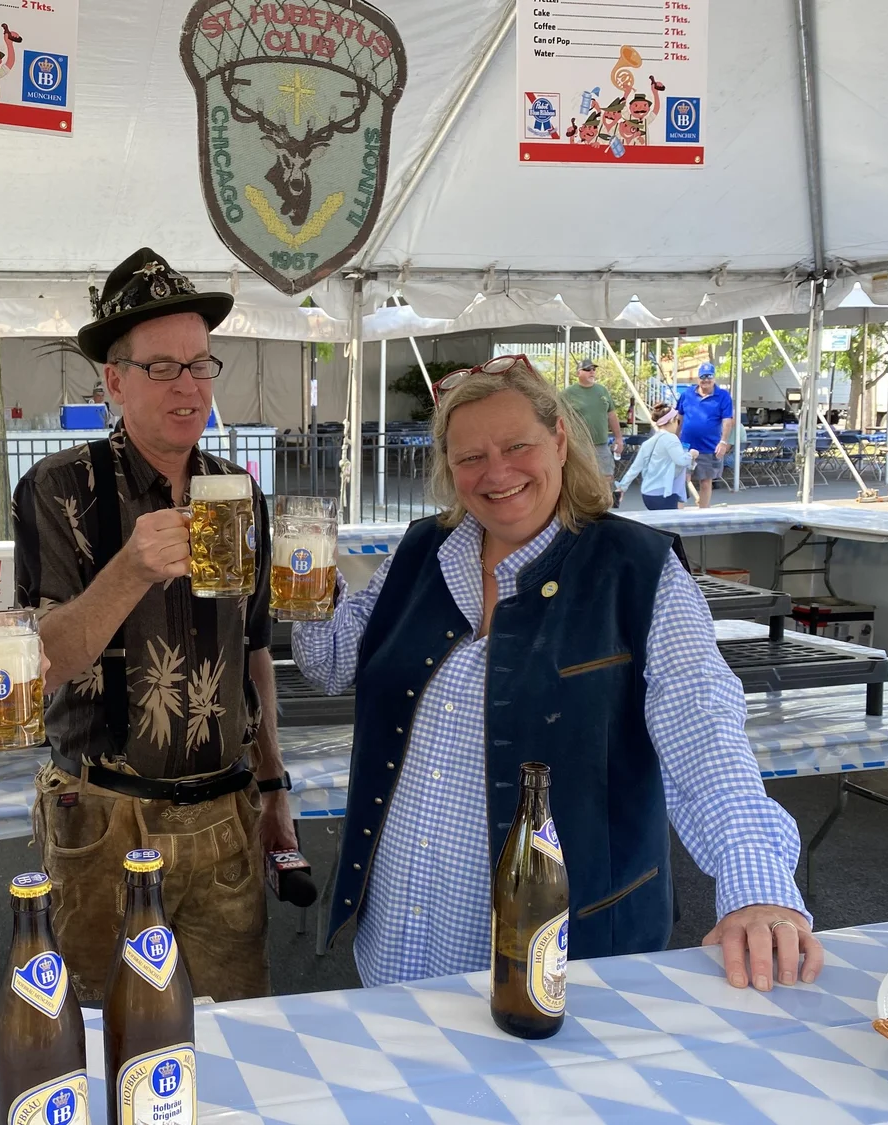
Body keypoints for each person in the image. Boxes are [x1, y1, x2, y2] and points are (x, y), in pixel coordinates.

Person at [296, 354, 819, 996]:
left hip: (558, 954)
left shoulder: (636, 571)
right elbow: (329, 666)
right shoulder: (422, 551)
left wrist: (758, 890)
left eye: (517, 445)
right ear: (448, 468)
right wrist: (301, 580)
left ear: (560, 440)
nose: (497, 472)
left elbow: (706, 742)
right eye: (469, 458)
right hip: (399, 938)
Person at [13, 248, 295, 1005]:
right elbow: (42, 660)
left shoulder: (237, 490)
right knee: (99, 1039)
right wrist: (130, 569)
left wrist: (274, 786)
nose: (189, 387)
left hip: (227, 816)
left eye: (202, 366)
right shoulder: (58, 487)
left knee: (241, 1038)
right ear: (114, 380)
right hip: (105, 820)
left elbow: (254, 648)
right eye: (163, 367)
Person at [560, 358, 624, 505]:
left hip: (601, 444)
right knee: (582, 479)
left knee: (607, 476)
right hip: (580, 445)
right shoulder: (568, 394)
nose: (592, 372)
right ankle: (584, 508)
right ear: (578, 373)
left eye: (593, 369)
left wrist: (618, 438)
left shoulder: (602, 391)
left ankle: (606, 508)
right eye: (588, 369)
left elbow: (612, 415)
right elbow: (558, 417)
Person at [678, 362, 734, 508]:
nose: (706, 380)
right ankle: (678, 511)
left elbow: (727, 421)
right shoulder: (687, 394)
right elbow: (679, 418)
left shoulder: (723, 396)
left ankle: (703, 511)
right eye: (703, 376)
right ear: (698, 378)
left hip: (709, 446)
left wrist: (723, 442)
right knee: (682, 479)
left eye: (709, 376)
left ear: (714, 378)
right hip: (686, 445)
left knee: (705, 481)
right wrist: (674, 438)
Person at [618, 402, 693, 510]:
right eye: (678, 421)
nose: (678, 424)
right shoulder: (671, 438)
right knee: (667, 526)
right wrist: (692, 454)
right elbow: (682, 461)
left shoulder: (649, 442)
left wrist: (622, 487)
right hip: (665, 493)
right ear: (672, 420)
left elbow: (635, 468)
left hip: (648, 494)